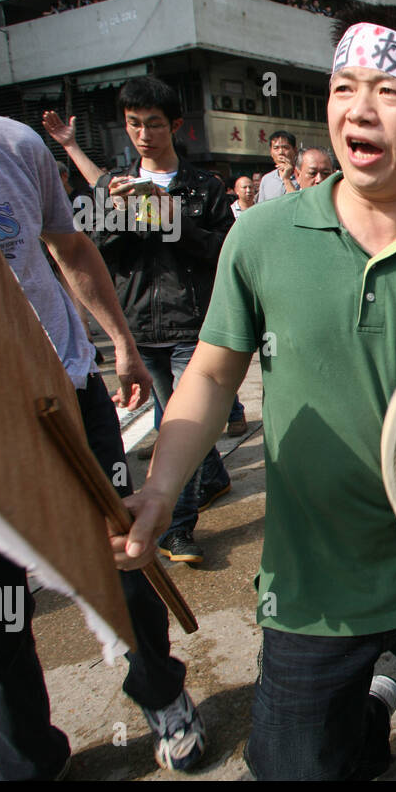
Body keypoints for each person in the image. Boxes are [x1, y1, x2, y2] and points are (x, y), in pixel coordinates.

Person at [112, 4, 396, 781]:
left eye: (388, 91)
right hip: (310, 588)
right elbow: (213, 374)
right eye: (343, 86)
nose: (358, 109)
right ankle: (371, 710)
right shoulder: (262, 238)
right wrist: (158, 487)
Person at [0, 0, 206, 776]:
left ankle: (162, 695)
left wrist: (115, 339)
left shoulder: (4, 145)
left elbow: (72, 248)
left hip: (66, 396)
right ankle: (32, 777)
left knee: (125, 558)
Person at [90, 76, 235, 566]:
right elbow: (93, 253)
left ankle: (175, 526)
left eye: (154, 124)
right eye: (134, 125)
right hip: (134, 326)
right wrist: (118, 212)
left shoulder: (204, 187)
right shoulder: (111, 186)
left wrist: (172, 217)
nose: (144, 135)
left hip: (192, 323)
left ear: (175, 126)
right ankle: (211, 474)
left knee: (181, 415)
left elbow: (222, 252)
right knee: (171, 416)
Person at [256, 130, 299, 202]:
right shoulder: (266, 179)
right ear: (271, 152)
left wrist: (286, 179)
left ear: (295, 150)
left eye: (285, 148)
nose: (281, 152)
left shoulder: (303, 176)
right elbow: (261, 209)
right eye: (276, 148)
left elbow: (299, 204)